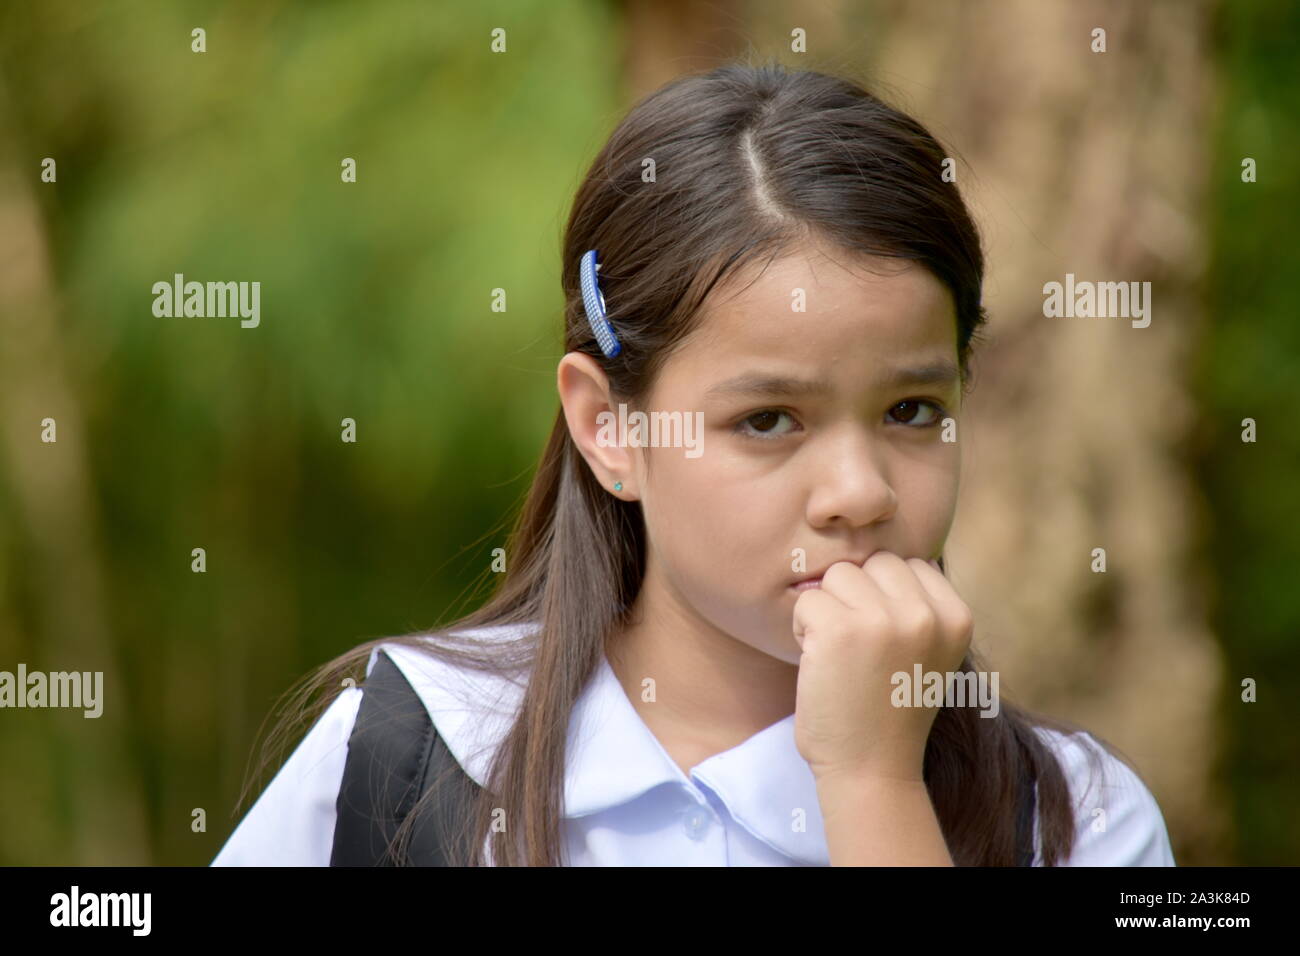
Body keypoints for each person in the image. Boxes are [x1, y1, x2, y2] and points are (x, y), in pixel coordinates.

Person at [212, 60, 1176, 867]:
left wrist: (874, 784)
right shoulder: (410, 760)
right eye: (768, 420)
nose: (860, 493)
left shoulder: (1073, 822)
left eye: (912, 410)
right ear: (609, 430)